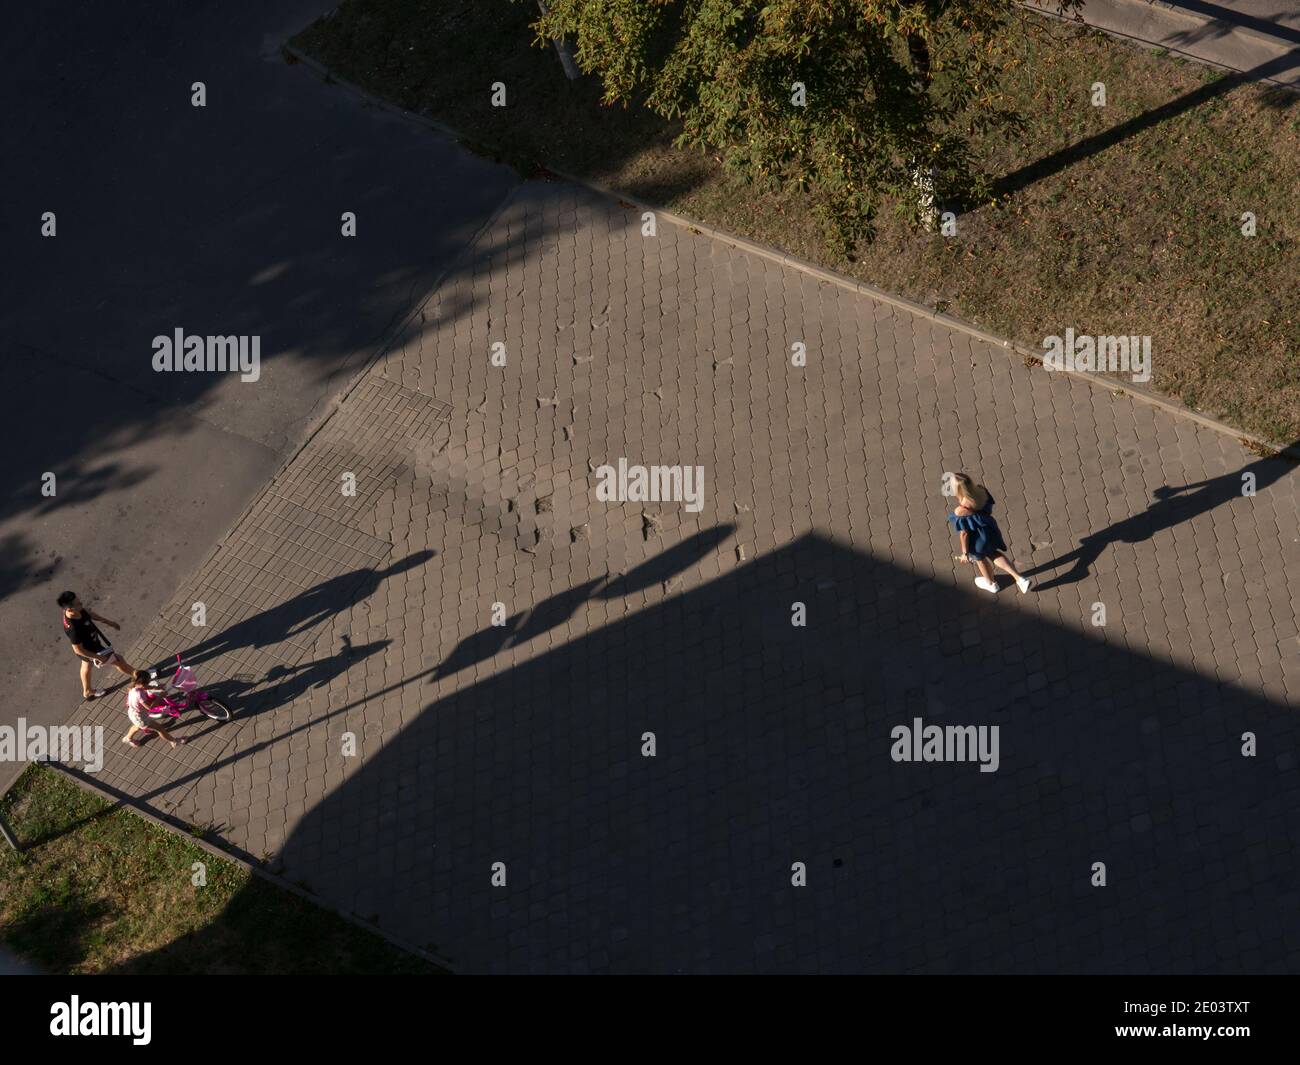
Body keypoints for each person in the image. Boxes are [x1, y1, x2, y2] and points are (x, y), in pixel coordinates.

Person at [945, 474, 1033, 595]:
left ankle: (991, 584)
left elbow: (964, 534)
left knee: (980, 559)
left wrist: (965, 553)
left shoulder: (961, 510)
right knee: (993, 553)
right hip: (989, 530)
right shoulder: (981, 490)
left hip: (977, 539)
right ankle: (1020, 579)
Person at [58, 590, 152, 699]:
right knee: (118, 660)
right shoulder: (73, 628)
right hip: (90, 650)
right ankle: (140, 676)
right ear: (70, 609)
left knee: (86, 665)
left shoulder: (76, 610)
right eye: (78, 603)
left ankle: (87, 691)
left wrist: (109, 622)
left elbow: (89, 614)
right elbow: (78, 650)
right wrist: (99, 657)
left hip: (91, 644)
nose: (81, 604)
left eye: (79, 601)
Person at [121, 670, 187, 749]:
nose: (149, 683)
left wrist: (155, 687)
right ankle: (174, 741)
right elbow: (150, 708)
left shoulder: (134, 686)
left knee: (137, 726)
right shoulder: (139, 695)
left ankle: (128, 739)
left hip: (132, 713)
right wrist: (160, 696)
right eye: (148, 682)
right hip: (141, 717)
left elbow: (144, 687)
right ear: (143, 683)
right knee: (160, 729)